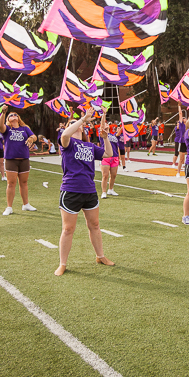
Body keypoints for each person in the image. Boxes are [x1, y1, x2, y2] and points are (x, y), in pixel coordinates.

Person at [54, 109, 114, 276]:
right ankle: (62, 264)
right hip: (71, 190)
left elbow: (108, 153)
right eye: (72, 124)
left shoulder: (89, 146)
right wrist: (82, 119)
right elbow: (65, 135)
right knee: (68, 229)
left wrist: (105, 137)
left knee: (94, 225)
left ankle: (100, 256)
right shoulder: (67, 143)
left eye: (78, 124)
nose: (77, 126)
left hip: (89, 190)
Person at [0, 107, 38, 215]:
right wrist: (3, 113)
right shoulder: (7, 129)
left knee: (24, 183)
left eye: (15, 114)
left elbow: (34, 136)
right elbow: (0, 126)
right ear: (8, 119)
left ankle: (26, 204)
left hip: (24, 159)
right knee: (11, 183)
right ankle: (9, 207)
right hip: (11, 159)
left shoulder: (25, 128)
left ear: (18, 118)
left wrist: (31, 138)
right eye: (10, 115)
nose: (13, 116)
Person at [100, 122, 122, 199]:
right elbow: (102, 126)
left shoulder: (113, 136)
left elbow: (117, 147)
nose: (106, 125)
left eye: (106, 124)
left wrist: (119, 158)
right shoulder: (102, 134)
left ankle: (110, 189)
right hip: (106, 157)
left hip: (115, 157)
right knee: (105, 175)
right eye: (104, 124)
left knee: (113, 175)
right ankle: (104, 192)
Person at [173, 103, 187, 177]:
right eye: (183, 118)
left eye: (185, 118)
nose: (184, 118)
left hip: (188, 143)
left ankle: (188, 171)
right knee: (181, 159)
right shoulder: (181, 125)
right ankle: (178, 172)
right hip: (182, 142)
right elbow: (180, 114)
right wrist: (179, 106)